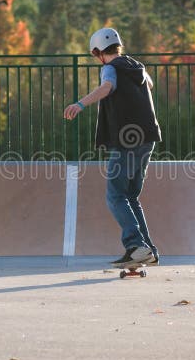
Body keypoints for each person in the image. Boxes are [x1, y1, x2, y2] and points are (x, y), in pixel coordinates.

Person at [63, 28, 162, 267]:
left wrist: (80, 104)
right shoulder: (137, 66)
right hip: (148, 137)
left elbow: (107, 86)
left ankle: (136, 246)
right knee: (131, 196)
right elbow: (149, 84)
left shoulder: (109, 68)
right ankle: (147, 250)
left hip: (126, 140)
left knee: (115, 195)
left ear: (98, 52)